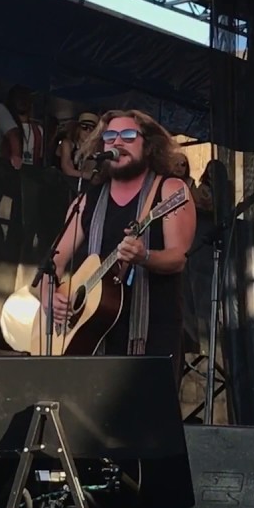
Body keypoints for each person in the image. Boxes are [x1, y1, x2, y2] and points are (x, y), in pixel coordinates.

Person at [47, 109, 196, 360]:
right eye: (110, 136)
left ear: (148, 146)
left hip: (152, 333)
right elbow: (53, 262)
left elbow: (178, 258)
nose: (117, 142)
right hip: (94, 337)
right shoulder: (87, 200)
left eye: (128, 135)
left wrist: (144, 256)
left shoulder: (169, 190)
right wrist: (51, 297)